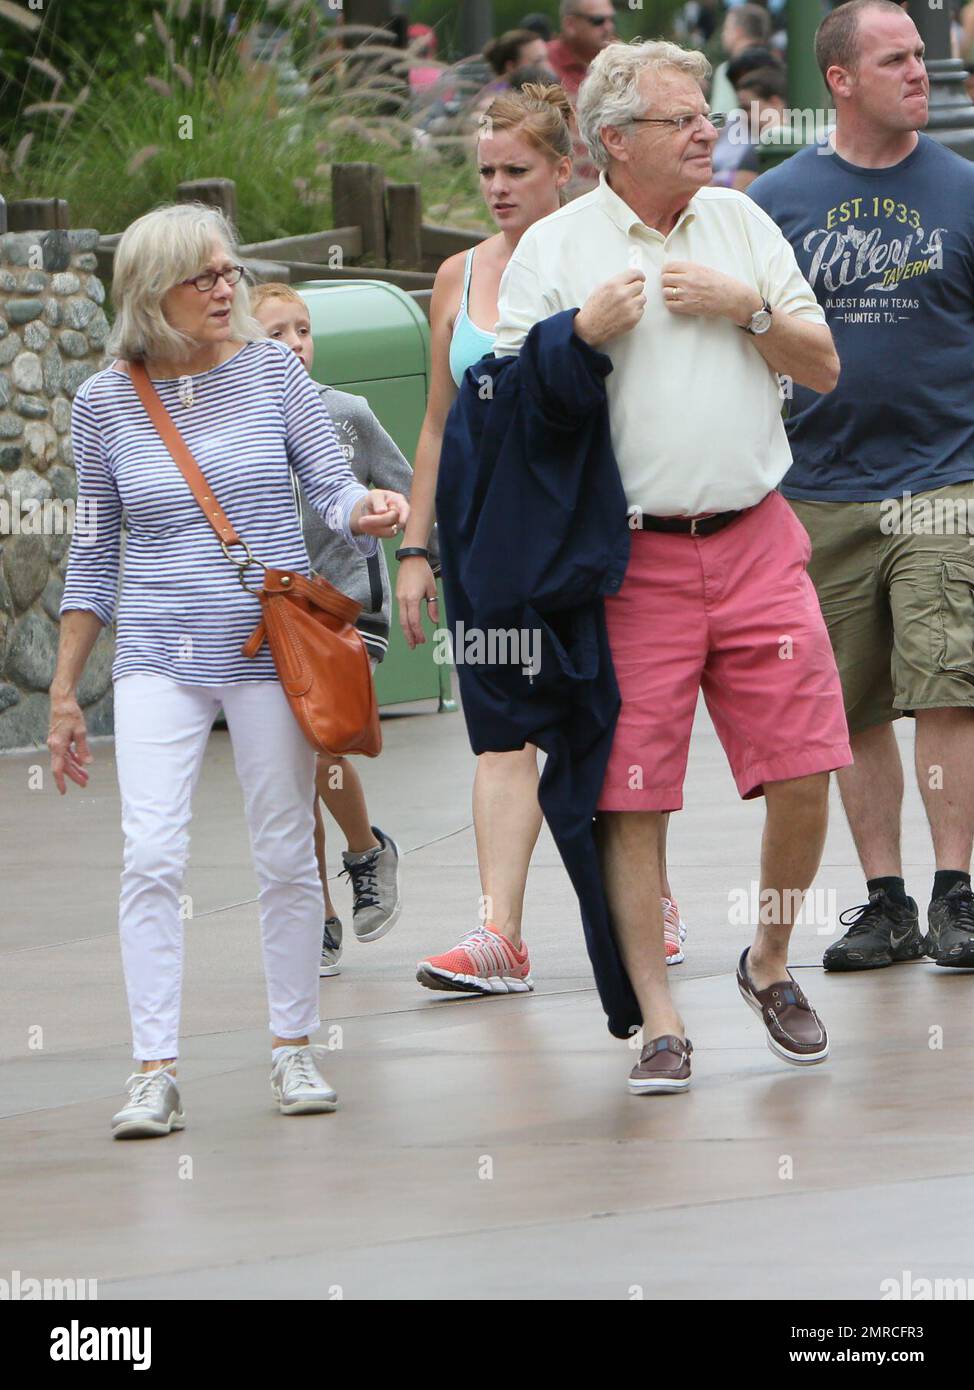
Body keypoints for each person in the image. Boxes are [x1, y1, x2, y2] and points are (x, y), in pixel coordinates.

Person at [494, 39, 849, 1094]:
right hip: (626, 561)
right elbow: (506, 406)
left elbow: (823, 367)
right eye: (681, 119)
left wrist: (742, 309)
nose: (706, 131)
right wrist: (575, 335)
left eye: (705, 115)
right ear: (614, 141)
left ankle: (769, 962)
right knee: (630, 795)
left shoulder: (740, 221)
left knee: (801, 772)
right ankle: (659, 1020)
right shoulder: (553, 247)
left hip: (755, 539)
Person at [48, 204, 409, 1138]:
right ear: (149, 292)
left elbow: (327, 487)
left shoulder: (269, 375)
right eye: (202, 276)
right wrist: (62, 692)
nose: (225, 289)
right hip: (157, 659)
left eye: (230, 272)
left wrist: (363, 507)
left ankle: (294, 1047)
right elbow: (92, 554)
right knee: (151, 856)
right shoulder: (104, 402)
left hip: (267, 654)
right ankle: (154, 1070)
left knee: (286, 849)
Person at [397, 80, 687, 988]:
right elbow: (439, 423)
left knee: (608, 725)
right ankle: (501, 935)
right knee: (499, 734)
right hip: (484, 536)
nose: (497, 187)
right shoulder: (458, 277)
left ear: (567, 167)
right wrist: (415, 548)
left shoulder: (597, 261)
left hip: (579, 533)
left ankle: (651, 902)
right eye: (484, 170)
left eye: (517, 168)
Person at [749, 0, 974, 972]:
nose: (919, 73)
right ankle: (882, 901)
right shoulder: (773, 201)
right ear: (837, 81)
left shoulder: (963, 191)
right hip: (819, 484)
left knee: (946, 681)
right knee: (849, 706)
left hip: (944, 475)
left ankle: (954, 893)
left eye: (921, 57)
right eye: (894, 61)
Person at [251, 282, 409, 978]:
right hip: (269, 620)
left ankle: (364, 850)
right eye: (276, 333)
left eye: (303, 330)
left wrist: (403, 533)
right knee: (290, 773)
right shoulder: (234, 428)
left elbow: (407, 489)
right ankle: (317, 912)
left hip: (347, 612)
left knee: (320, 747)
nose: (295, 344)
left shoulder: (349, 416)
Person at [711, 60, 788, 192]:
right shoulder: (749, 141)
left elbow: (741, 194)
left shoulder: (759, 150)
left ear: (775, 103)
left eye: (747, 107)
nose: (743, 115)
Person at [710, 3, 774, 114]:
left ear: (738, 32)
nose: (723, 35)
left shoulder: (727, 70)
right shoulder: (776, 66)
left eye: (726, 29)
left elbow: (721, 117)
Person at [546, 0, 617, 100]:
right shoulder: (544, 59)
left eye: (612, 19)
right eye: (598, 20)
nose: (609, 27)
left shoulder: (621, 60)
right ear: (570, 24)